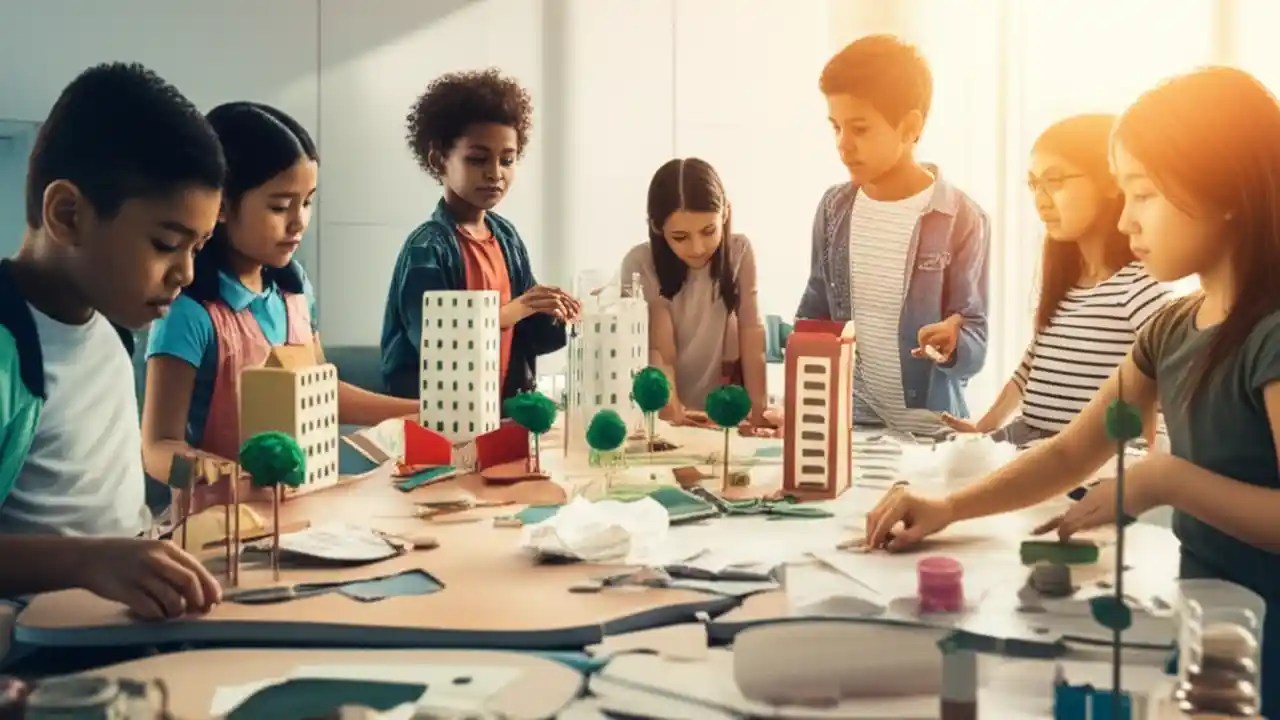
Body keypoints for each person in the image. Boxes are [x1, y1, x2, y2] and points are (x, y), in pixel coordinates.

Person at [864, 67, 1280, 715]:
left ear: (1225, 190)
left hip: (1266, 655)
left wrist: (1166, 480)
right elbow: (1065, 454)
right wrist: (948, 506)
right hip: (1205, 645)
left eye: (1143, 193)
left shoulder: (1271, 336)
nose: (1127, 216)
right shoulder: (1172, 329)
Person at [0, 63, 224, 619]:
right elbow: (95, 550)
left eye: (198, 247)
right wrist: (87, 562)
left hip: (119, 623)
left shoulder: (112, 328)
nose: (186, 273)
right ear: (68, 215)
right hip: (40, 657)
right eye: (167, 242)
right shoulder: (9, 349)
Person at [142, 102, 419, 497]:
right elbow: (155, 448)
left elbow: (323, 393)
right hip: (222, 531)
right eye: (279, 206)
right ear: (220, 207)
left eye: (307, 202)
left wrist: (421, 412)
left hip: (307, 509)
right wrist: (223, 478)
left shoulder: (295, 291)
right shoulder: (188, 313)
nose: (299, 222)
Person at [794, 35, 991, 436]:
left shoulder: (962, 218)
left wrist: (954, 342)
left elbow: (975, 342)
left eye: (860, 129)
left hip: (933, 434)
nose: (843, 145)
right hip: (852, 428)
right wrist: (802, 409)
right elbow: (814, 318)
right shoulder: (834, 209)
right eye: (836, 127)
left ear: (910, 127)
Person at [942, 114, 1172, 447]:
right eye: (1034, 184)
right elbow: (1031, 365)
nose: (1040, 199)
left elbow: (1174, 388)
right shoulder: (1068, 287)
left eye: (1056, 181)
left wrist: (1140, 460)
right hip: (1028, 441)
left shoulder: (1138, 289)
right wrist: (983, 427)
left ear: (1111, 182)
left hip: (1086, 459)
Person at [380, 68, 579, 407]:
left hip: (502, 413)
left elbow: (530, 336)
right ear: (439, 160)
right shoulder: (426, 249)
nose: (495, 173)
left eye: (507, 160)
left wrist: (560, 315)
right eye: (477, 159)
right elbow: (435, 340)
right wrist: (515, 310)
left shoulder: (506, 238)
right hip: (434, 417)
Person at [619, 158, 772, 431]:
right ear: (657, 227)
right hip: (659, 412)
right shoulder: (640, 263)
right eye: (680, 237)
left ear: (725, 214)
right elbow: (659, 351)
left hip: (721, 409)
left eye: (708, 231)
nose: (698, 247)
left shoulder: (739, 252)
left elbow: (752, 333)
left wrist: (759, 412)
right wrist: (673, 413)